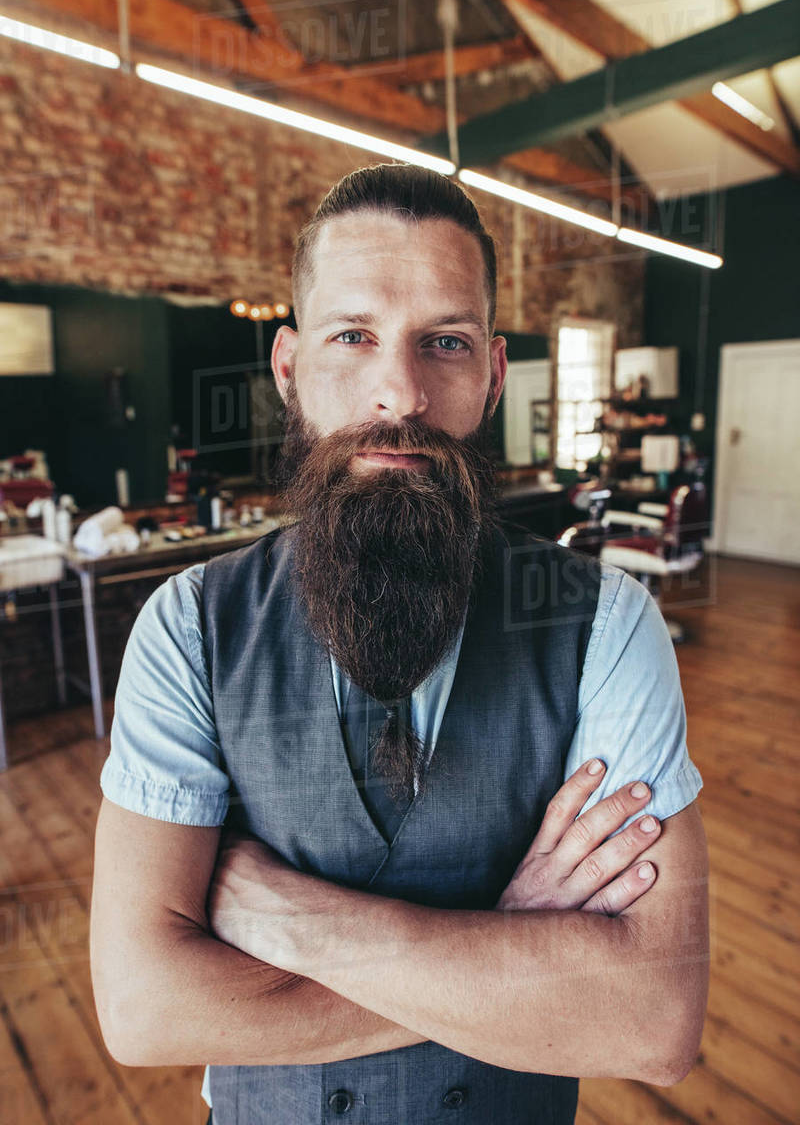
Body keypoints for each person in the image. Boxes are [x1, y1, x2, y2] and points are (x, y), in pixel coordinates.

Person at [90, 164, 708, 1125]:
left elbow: (655, 1020)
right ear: (289, 368)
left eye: (445, 343)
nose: (400, 394)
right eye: (353, 337)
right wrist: (502, 948)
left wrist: (290, 920)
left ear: (494, 374)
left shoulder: (606, 624)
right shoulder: (187, 628)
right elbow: (142, 1009)